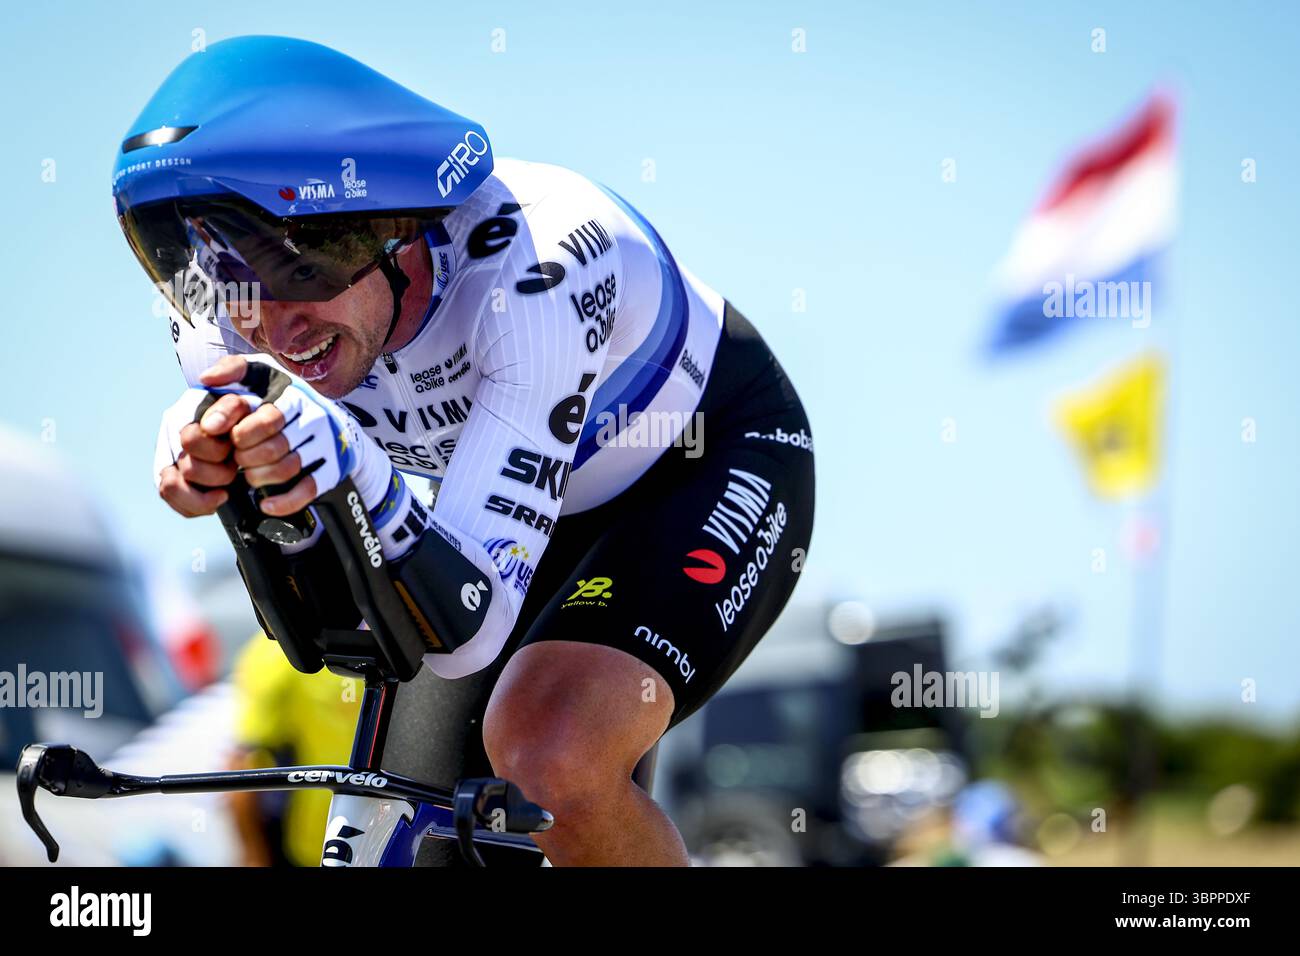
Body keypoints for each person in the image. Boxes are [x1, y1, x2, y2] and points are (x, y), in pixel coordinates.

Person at [118, 36, 815, 866]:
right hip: (495, 499)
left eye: (301, 271)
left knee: (551, 755)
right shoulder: (215, 318)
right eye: (239, 290)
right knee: (385, 834)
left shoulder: (540, 269)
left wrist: (350, 467)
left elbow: (470, 633)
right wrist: (210, 452)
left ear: (388, 228)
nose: (277, 329)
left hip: (696, 461)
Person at [228, 633, 361, 868]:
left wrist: (253, 854)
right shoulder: (273, 658)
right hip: (317, 846)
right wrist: (254, 854)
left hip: (380, 833)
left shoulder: (272, 653)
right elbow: (243, 768)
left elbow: (241, 771)